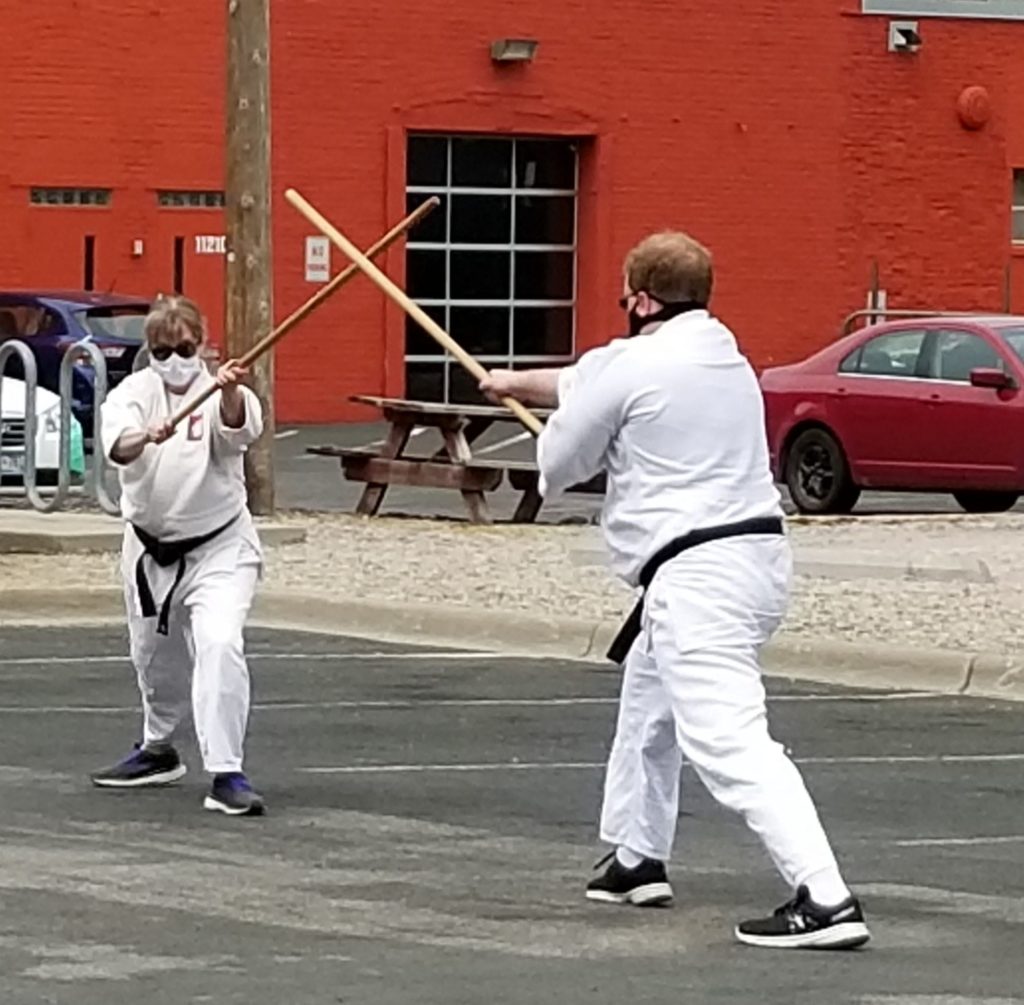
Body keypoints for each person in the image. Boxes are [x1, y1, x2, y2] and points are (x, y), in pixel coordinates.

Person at [480, 232, 869, 950]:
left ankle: (825, 895)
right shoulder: (722, 352)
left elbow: (557, 461)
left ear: (640, 297)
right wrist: (511, 380)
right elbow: (585, 379)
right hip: (751, 561)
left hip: (699, 580)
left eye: (625, 293)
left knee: (729, 739)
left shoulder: (632, 365)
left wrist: (555, 423)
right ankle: (636, 856)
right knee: (647, 708)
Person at [90, 294, 265, 817]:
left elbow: (238, 434)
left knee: (219, 643)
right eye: (161, 350)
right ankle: (158, 747)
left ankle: (227, 771)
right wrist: (146, 436)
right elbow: (117, 446)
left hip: (219, 546)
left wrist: (231, 393)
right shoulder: (132, 393)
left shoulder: (221, 388)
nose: (173, 360)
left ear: (201, 344)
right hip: (149, 550)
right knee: (153, 658)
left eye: (183, 348)